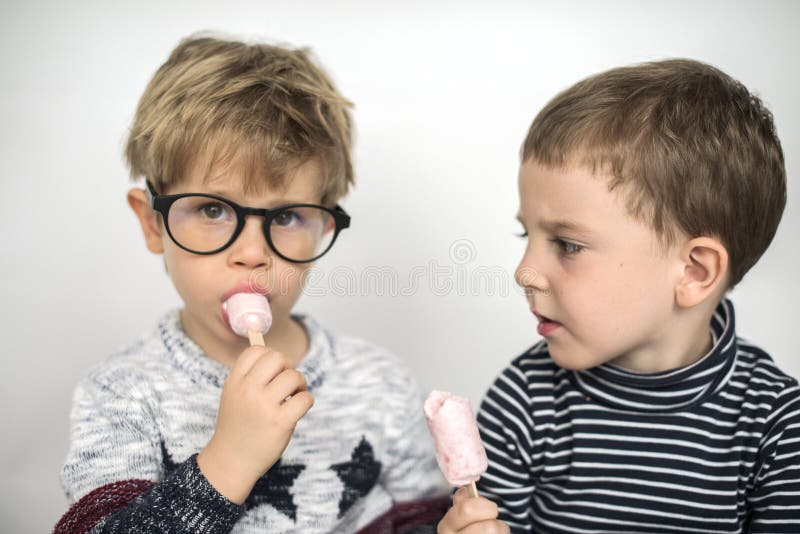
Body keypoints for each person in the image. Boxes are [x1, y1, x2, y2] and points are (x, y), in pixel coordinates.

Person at [56, 33, 446, 533]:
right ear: (153, 223)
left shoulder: (382, 385)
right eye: (214, 210)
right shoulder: (122, 396)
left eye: (286, 217)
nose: (253, 255)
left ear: (324, 226)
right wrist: (227, 462)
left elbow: (418, 521)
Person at [438, 59, 800, 533]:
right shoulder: (523, 400)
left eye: (568, 245)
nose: (525, 271)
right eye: (525, 235)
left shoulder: (777, 428)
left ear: (693, 271)